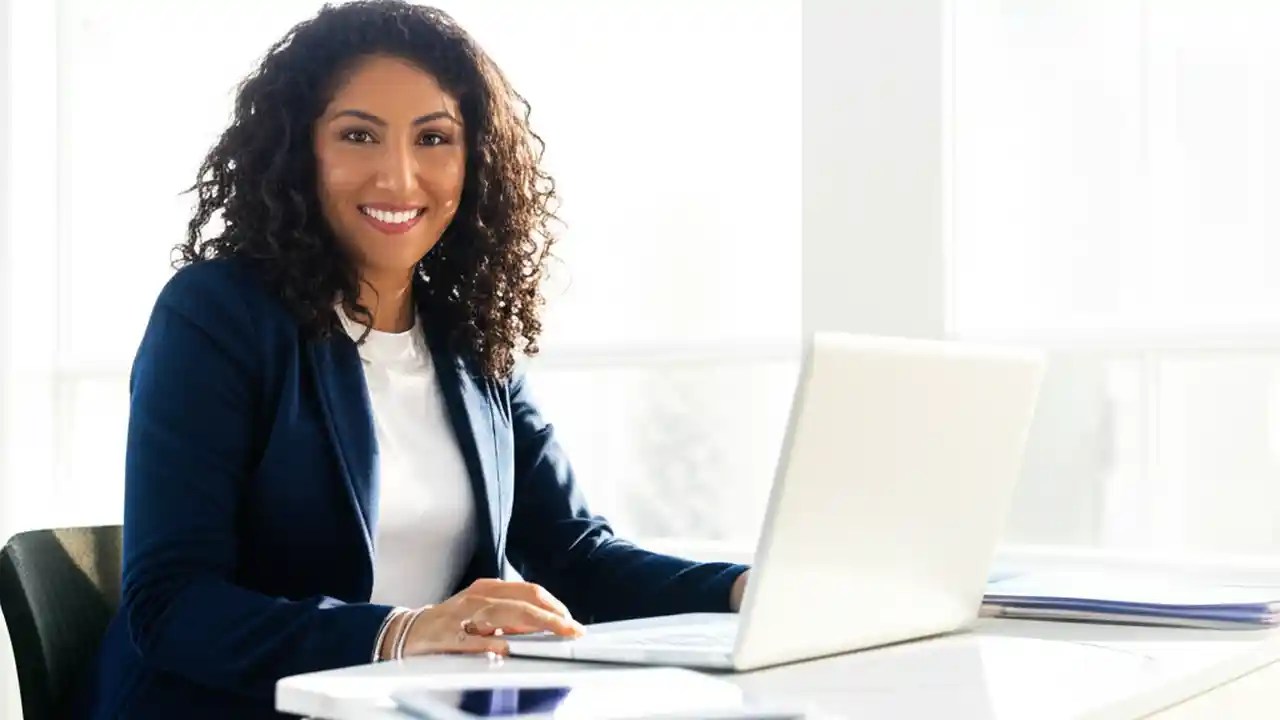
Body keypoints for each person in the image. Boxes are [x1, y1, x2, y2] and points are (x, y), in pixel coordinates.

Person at [76, 2, 750, 717]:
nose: (399, 178)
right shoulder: (217, 315)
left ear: (474, 161)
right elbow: (172, 604)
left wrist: (752, 592)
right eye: (358, 135)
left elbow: (576, 558)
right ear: (299, 151)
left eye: (434, 138)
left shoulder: (469, 341)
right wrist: (400, 631)